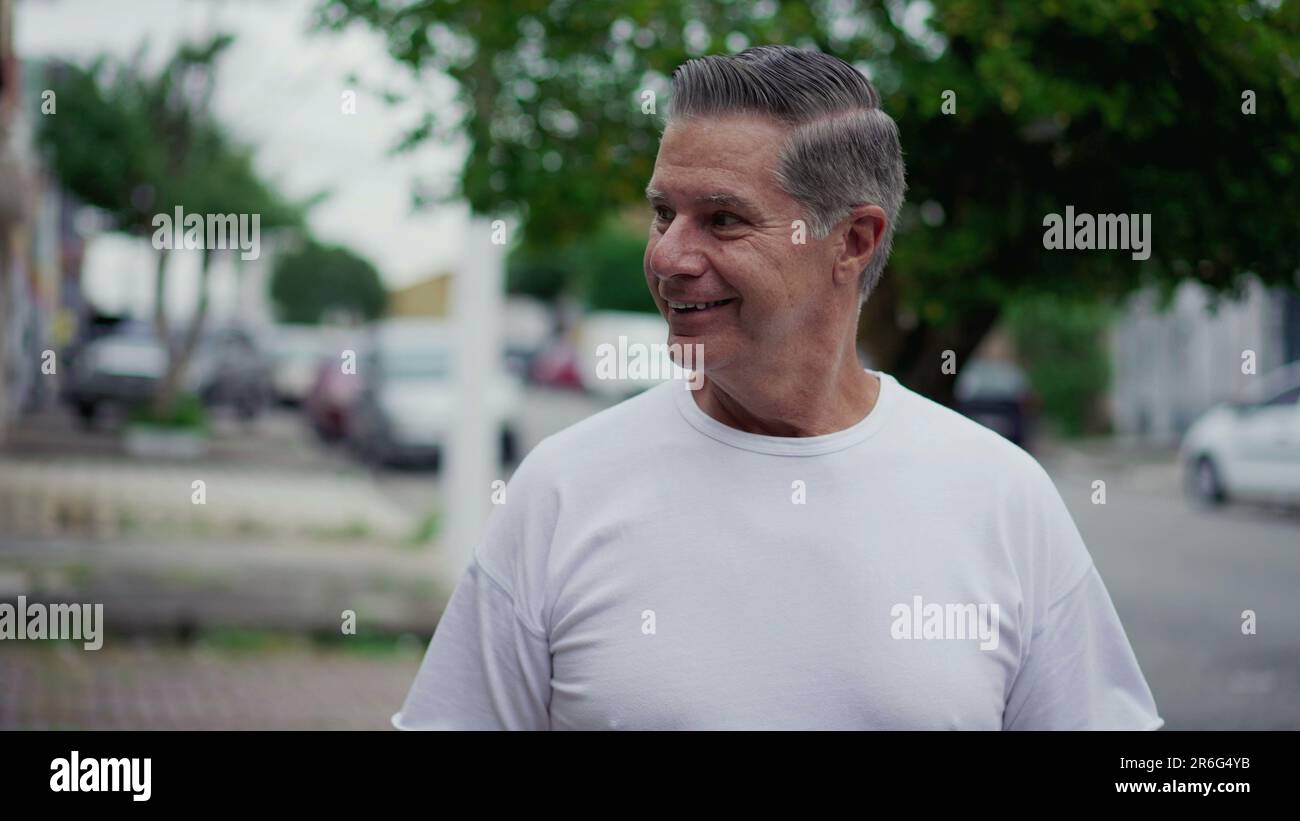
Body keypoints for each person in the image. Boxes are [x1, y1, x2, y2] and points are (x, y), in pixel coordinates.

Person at [393, 45, 1163, 730]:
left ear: (852, 241)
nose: (667, 257)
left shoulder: (1002, 498)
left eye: (722, 220)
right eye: (664, 213)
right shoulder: (563, 490)